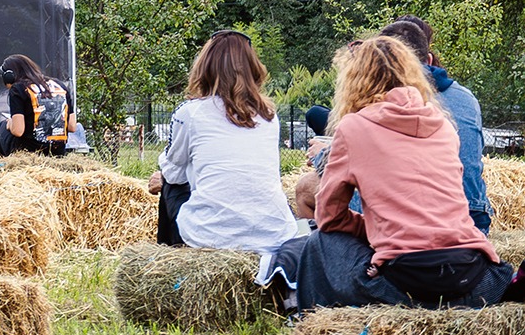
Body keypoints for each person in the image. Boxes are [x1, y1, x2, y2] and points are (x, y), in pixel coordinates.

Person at [270, 36, 517, 310]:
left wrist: (378, 231)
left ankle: (309, 325)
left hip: (408, 281)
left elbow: (329, 217)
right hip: (473, 276)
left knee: (319, 243)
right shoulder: (444, 127)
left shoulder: (353, 128)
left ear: (353, 81)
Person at [148, 30, 299, 253]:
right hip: (274, 233)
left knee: (169, 181)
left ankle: (169, 262)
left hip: (210, 236)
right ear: (252, 68)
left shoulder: (190, 112)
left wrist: (162, 176)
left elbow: (174, 173)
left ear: (205, 67)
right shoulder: (268, 115)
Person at [384, 16, 491, 234]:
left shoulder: (386, 97)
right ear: (429, 59)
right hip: (473, 214)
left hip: (419, 222)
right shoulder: (466, 97)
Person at [0, 54, 73, 160]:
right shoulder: (60, 86)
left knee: (2, 125)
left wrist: (9, 123)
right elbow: (72, 126)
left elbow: (18, 131)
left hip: (29, 152)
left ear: (9, 76)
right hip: (57, 152)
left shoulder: (18, 89)